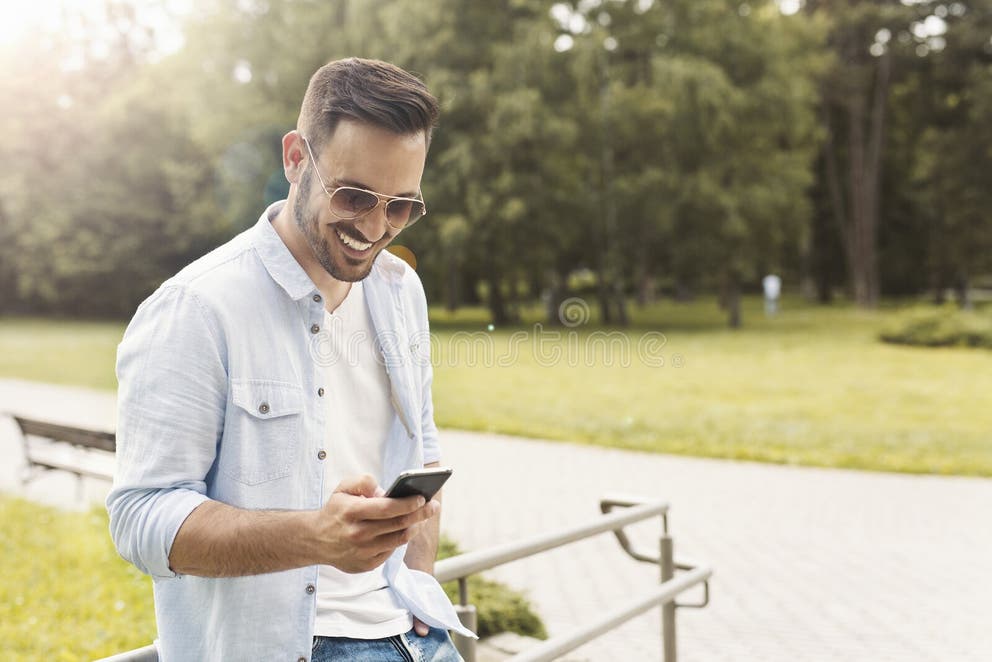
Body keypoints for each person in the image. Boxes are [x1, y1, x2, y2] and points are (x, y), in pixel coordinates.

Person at [107, 57, 474, 662]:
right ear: (296, 159)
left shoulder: (400, 289)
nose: (375, 227)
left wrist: (419, 587)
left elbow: (423, 450)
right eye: (355, 196)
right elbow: (140, 519)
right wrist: (315, 538)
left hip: (417, 633)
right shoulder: (196, 307)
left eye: (401, 206)